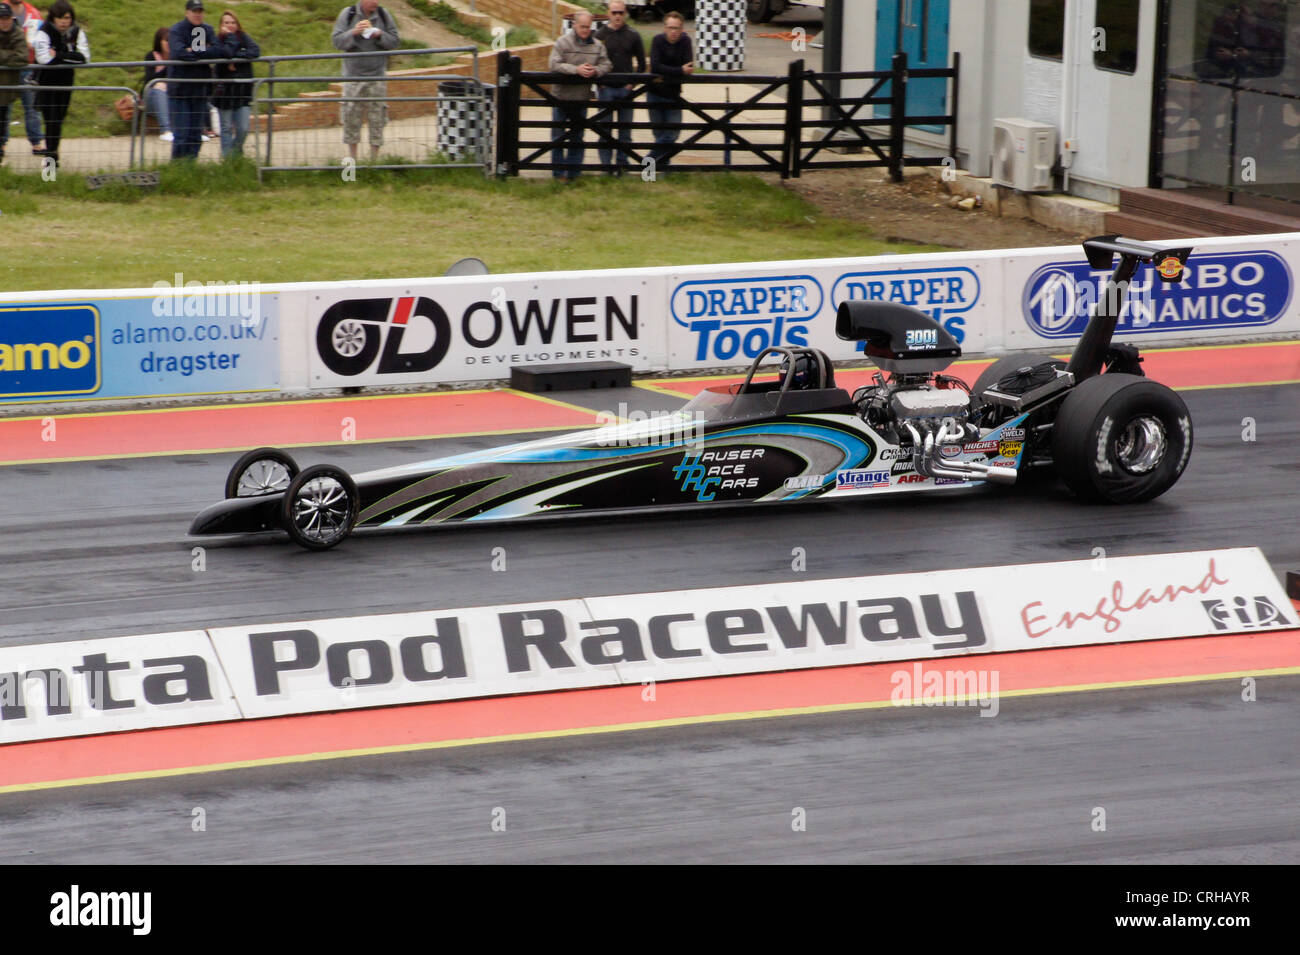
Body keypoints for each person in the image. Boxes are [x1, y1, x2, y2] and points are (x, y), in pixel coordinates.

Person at [331, 0, 399, 161]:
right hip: (353, 77)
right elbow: (336, 41)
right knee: (351, 117)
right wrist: (353, 32)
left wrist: (380, 35)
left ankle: (374, 161)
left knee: (377, 118)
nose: (376, 3)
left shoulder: (383, 14)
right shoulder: (348, 14)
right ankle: (352, 158)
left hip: (377, 76)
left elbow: (395, 41)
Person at [547, 11, 610, 180]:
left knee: (577, 137)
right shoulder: (562, 42)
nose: (585, 30)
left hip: (581, 98)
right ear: (574, 25)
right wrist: (576, 70)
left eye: (588, 27)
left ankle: (574, 174)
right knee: (558, 136)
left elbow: (607, 64)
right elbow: (553, 63)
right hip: (560, 97)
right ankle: (558, 174)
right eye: (582, 26)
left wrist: (596, 71)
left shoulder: (597, 45)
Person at [32, 0, 88, 166]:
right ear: (53, 18)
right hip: (47, 83)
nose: (64, 21)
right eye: (60, 18)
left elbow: (84, 58)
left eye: (67, 18)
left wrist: (58, 55)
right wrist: (68, 57)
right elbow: (43, 58)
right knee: (51, 120)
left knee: (59, 120)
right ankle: (51, 160)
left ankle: (52, 155)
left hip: (66, 83)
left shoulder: (77, 32)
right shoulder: (44, 31)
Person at [595, 1, 646, 176]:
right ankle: (606, 167)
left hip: (626, 90)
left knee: (625, 132)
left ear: (625, 14)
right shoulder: (599, 35)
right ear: (608, 13)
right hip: (606, 89)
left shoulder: (633, 35)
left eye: (621, 13)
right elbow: (592, 62)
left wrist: (633, 84)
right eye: (614, 12)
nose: (618, 16)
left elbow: (641, 63)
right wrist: (598, 84)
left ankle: (622, 167)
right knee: (604, 131)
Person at [167, 0, 221, 161]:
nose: (198, 14)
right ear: (187, 12)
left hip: (200, 90)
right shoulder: (177, 30)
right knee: (182, 134)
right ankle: (177, 167)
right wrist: (204, 50)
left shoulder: (207, 29)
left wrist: (193, 50)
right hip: (180, 90)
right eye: (194, 11)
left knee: (196, 134)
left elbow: (217, 50)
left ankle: (191, 166)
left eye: (200, 11)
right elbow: (178, 53)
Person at [648, 11, 693, 174]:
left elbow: (689, 66)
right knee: (659, 134)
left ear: (682, 29)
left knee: (671, 135)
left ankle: (648, 163)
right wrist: (679, 70)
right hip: (654, 93)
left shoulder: (685, 41)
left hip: (674, 95)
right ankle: (663, 170)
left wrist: (673, 71)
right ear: (664, 28)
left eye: (677, 28)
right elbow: (655, 66)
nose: (673, 31)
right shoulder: (657, 40)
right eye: (670, 27)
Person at [212, 9, 259, 158]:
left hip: (242, 90)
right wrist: (231, 41)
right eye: (227, 22)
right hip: (224, 91)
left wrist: (236, 57)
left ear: (238, 24)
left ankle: (233, 155)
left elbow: (255, 51)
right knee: (225, 127)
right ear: (221, 25)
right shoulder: (216, 40)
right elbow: (224, 53)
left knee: (243, 128)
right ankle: (227, 161)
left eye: (233, 22)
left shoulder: (244, 37)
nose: (230, 25)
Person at [9, 0, 42, 154]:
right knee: (4, 107)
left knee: (32, 107)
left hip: (28, 66)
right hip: (7, 68)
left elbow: (41, 37)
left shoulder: (33, 13)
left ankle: (36, 142)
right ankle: (1, 143)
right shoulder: (2, 9)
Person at [0, 3, 27, 164]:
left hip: (6, 86)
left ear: (11, 18)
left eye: (6, 18)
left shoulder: (17, 33)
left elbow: (22, 58)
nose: (4, 22)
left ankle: (1, 148)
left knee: (2, 118)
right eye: (1, 19)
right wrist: (9, 55)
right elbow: (15, 56)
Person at [143, 26, 173, 142]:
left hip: (172, 97)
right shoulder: (151, 56)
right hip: (152, 98)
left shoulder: (178, 56)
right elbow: (149, 79)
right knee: (159, 86)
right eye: (166, 40)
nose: (169, 43)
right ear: (159, 41)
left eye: (171, 40)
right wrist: (167, 68)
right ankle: (165, 130)